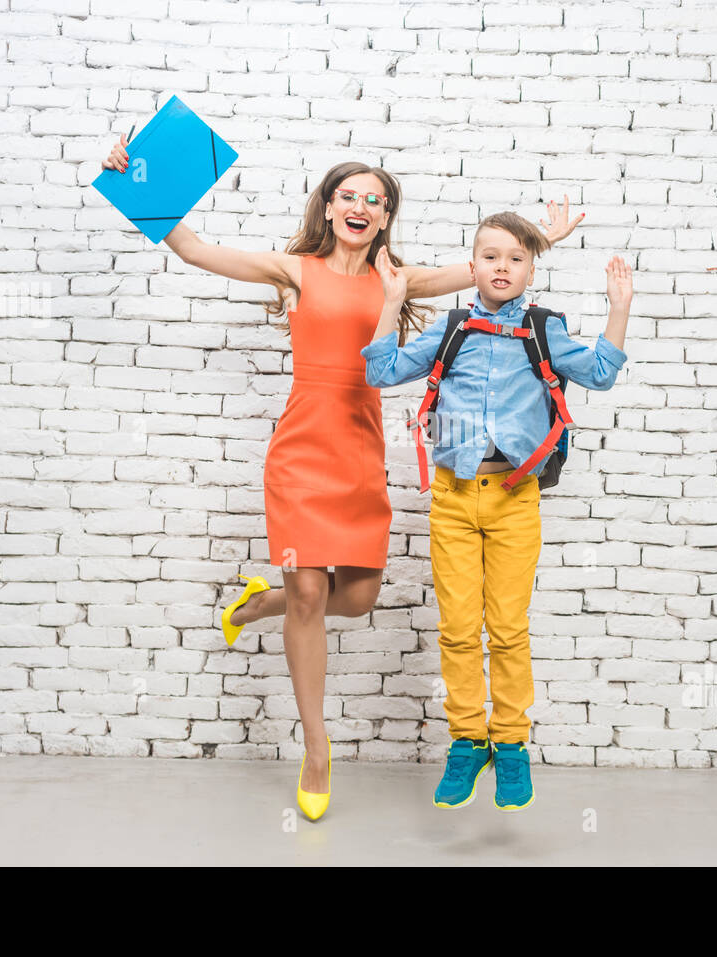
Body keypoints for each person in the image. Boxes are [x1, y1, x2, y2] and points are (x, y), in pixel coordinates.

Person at [101, 135, 583, 820]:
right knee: (308, 587)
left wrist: (545, 239)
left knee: (355, 597)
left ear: (385, 217)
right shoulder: (295, 269)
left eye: (375, 200)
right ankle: (317, 748)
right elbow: (197, 251)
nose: (360, 206)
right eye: (349, 195)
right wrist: (139, 183)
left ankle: (258, 603)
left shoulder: (399, 279)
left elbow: (491, 272)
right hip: (301, 446)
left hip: (360, 448)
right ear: (329, 206)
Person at [362, 211, 633, 811]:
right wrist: (392, 298)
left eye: (515, 257)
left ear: (532, 268)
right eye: (490, 256)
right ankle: (467, 741)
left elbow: (601, 374)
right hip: (454, 499)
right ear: (473, 265)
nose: (502, 267)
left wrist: (618, 310)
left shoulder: (543, 329)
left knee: (507, 630)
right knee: (458, 629)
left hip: (515, 499)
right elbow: (380, 370)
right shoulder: (451, 329)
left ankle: (510, 744)